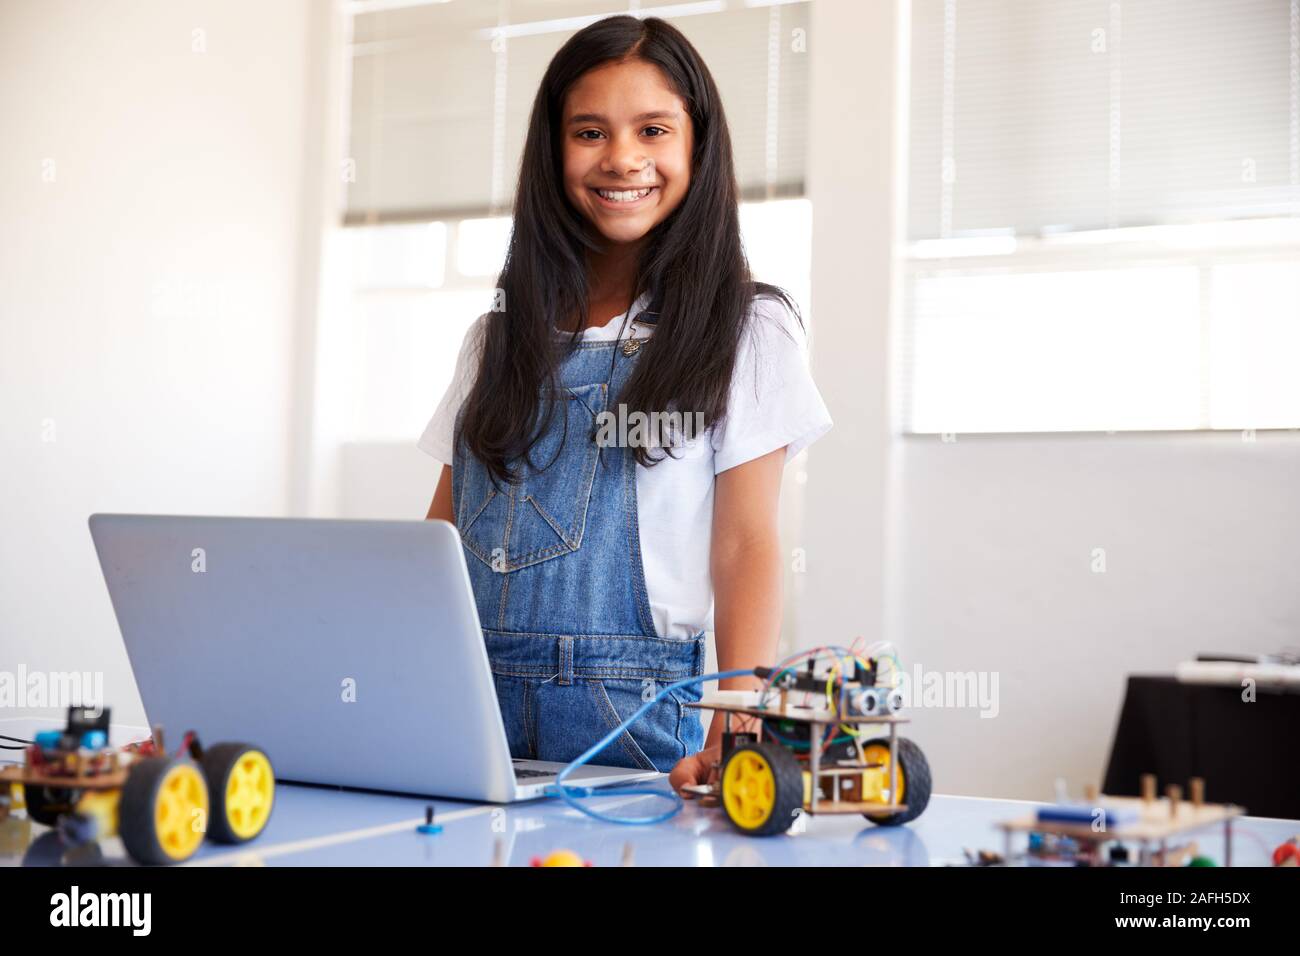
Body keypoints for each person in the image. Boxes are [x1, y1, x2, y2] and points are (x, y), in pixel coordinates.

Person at [420, 14, 831, 794]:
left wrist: (738, 708)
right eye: (589, 132)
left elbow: (747, 543)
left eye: (652, 129)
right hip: (470, 710)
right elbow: (438, 544)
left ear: (697, 147)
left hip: (641, 724)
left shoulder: (747, 329)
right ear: (553, 150)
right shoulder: (495, 337)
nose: (623, 159)